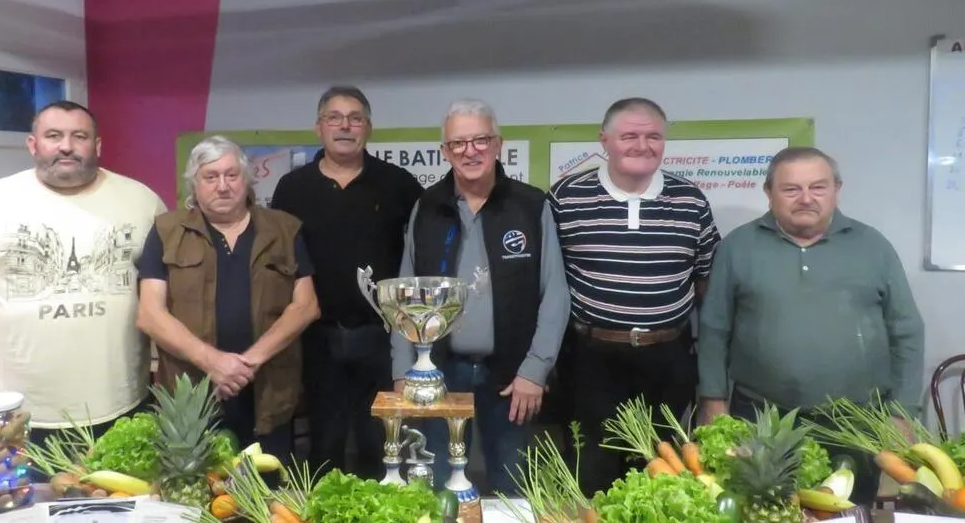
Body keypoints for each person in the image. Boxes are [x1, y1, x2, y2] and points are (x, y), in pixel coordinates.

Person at [697, 145, 925, 505]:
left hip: (856, 421)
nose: (806, 198)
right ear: (769, 193)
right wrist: (712, 401)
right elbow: (713, 328)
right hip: (762, 420)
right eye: (791, 189)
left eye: (818, 187)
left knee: (849, 511)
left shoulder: (873, 246)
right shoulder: (737, 247)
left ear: (836, 188)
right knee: (765, 510)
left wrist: (903, 413)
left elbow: (907, 331)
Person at [0, 100, 166, 447]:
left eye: (79, 136)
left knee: (126, 498)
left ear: (97, 145)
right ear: (33, 144)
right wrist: (7, 295)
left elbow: (157, 284)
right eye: (53, 135)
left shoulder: (141, 200)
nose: (66, 146)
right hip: (25, 410)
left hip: (122, 403)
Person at [392, 99, 571, 495]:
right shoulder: (427, 208)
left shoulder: (530, 205)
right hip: (438, 375)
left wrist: (534, 371)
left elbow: (555, 294)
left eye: (480, 140)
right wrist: (404, 372)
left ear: (498, 144)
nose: (470, 151)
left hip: (511, 380)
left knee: (514, 491)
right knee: (437, 491)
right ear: (445, 151)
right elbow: (405, 294)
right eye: (458, 143)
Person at [547, 97, 721, 496]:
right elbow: (547, 281)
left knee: (666, 476)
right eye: (629, 136)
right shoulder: (565, 197)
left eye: (653, 136)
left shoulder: (691, 200)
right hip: (591, 360)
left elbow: (705, 280)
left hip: (668, 360)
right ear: (604, 140)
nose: (642, 145)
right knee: (593, 474)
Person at [269, 86, 422, 479]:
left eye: (355, 118)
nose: (345, 126)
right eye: (334, 118)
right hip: (317, 338)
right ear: (319, 127)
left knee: (381, 443)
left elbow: (422, 258)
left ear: (368, 128)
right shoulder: (292, 188)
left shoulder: (398, 184)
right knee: (324, 442)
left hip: (382, 338)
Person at [135, 135, 320, 460]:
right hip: (191, 399)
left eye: (231, 175)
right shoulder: (166, 230)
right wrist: (214, 363)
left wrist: (244, 365)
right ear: (195, 183)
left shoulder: (284, 228)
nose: (223, 186)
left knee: (269, 499)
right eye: (211, 176)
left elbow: (306, 306)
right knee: (197, 500)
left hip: (269, 395)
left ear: (246, 179)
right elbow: (150, 314)